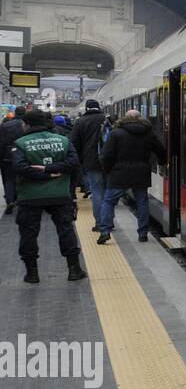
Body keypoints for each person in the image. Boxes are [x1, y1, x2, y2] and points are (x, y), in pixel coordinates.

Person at [9, 107, 86, 283]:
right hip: (59, 194)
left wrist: (43, 171)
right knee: (65, 230)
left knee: (29, 233)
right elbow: (74, 162)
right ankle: (74, 269)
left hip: (29, 196)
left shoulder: (20, 143)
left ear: (26, 124)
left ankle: (32, 273)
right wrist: (52, 172)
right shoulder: (63, 140)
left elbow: (19, 167)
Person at [99, 108, 164, 244]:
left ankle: (105, 231)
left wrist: (108, 170)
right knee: (142, 203)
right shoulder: (148, 133)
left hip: (119, 174)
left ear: (125, 118)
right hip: (141, 173)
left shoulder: (115, 133)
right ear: (141, 118)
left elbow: (106, 155)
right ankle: (143, 234)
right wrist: (163, 162)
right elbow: (161, 150)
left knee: (108, 201)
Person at [70, 99, 110, 231]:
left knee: (97, 192)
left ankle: (100, 223)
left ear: (86, 108)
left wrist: (80, 161)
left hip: (91, 162)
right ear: (99, 107)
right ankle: (109, 221)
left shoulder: (80, 122)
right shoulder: (107, 119)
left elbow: (74, 143)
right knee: (108, 192)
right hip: (109, 161)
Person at [0, 104, 28, 215]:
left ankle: (10, 200)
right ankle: (21, 200)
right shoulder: (27, 125)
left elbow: (1, 143)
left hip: (7, 157)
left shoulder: (5, 126)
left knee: (8, 180)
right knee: (24, 178)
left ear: (15, 113)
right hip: (24, 156)